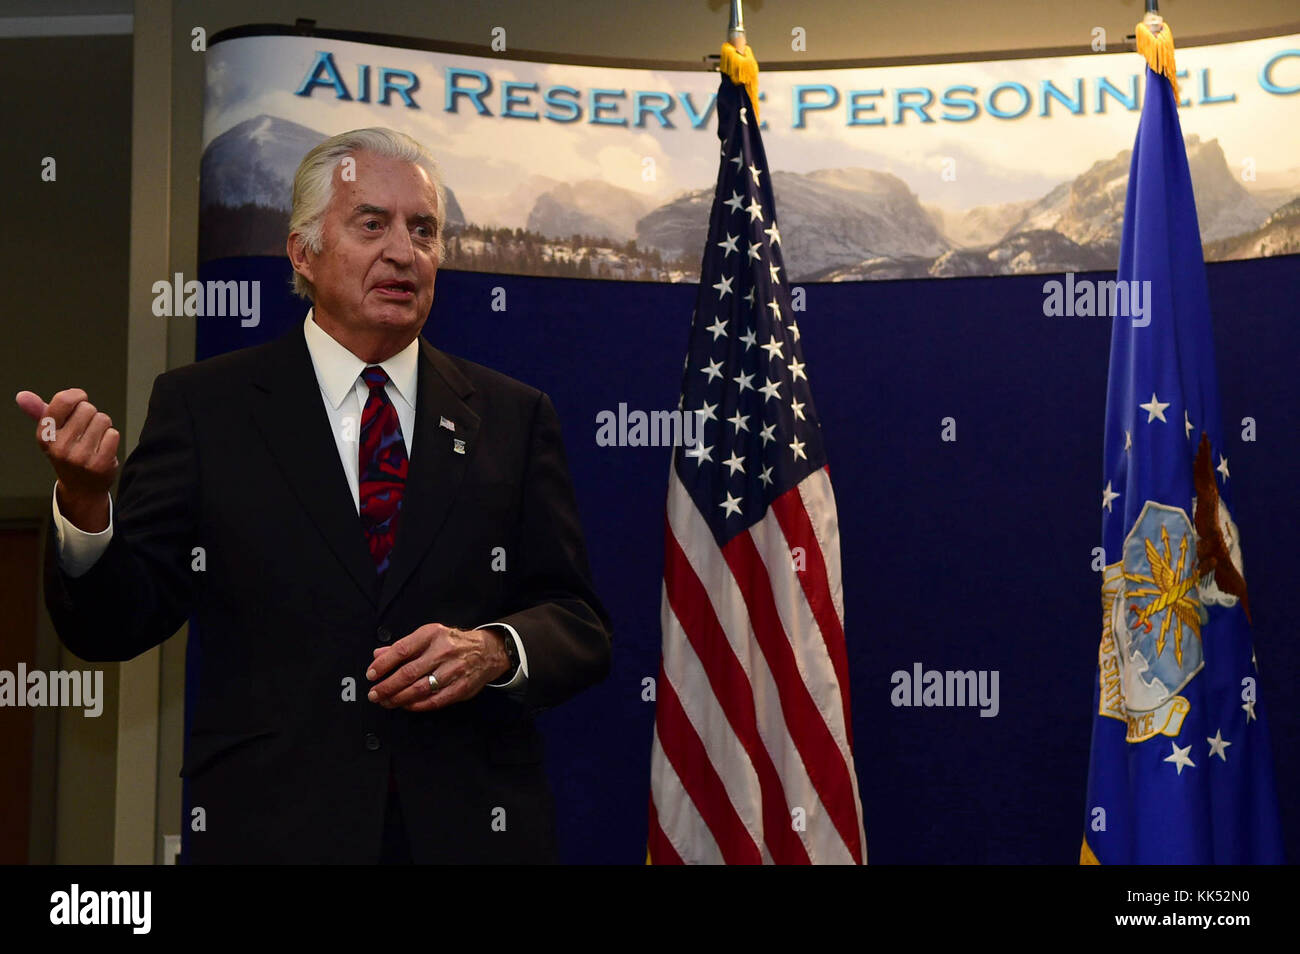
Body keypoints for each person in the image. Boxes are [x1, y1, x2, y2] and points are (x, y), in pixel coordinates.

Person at [15, 127, 612, 864]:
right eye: (372, 223)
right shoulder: (207, 408)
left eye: (423, 229)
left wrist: (492, 649)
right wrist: (83, 504)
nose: (403, 251)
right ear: (303, 252)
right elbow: (114, 624)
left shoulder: (512, 417)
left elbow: (577, 622)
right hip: (274, 831)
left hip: (470, 831)